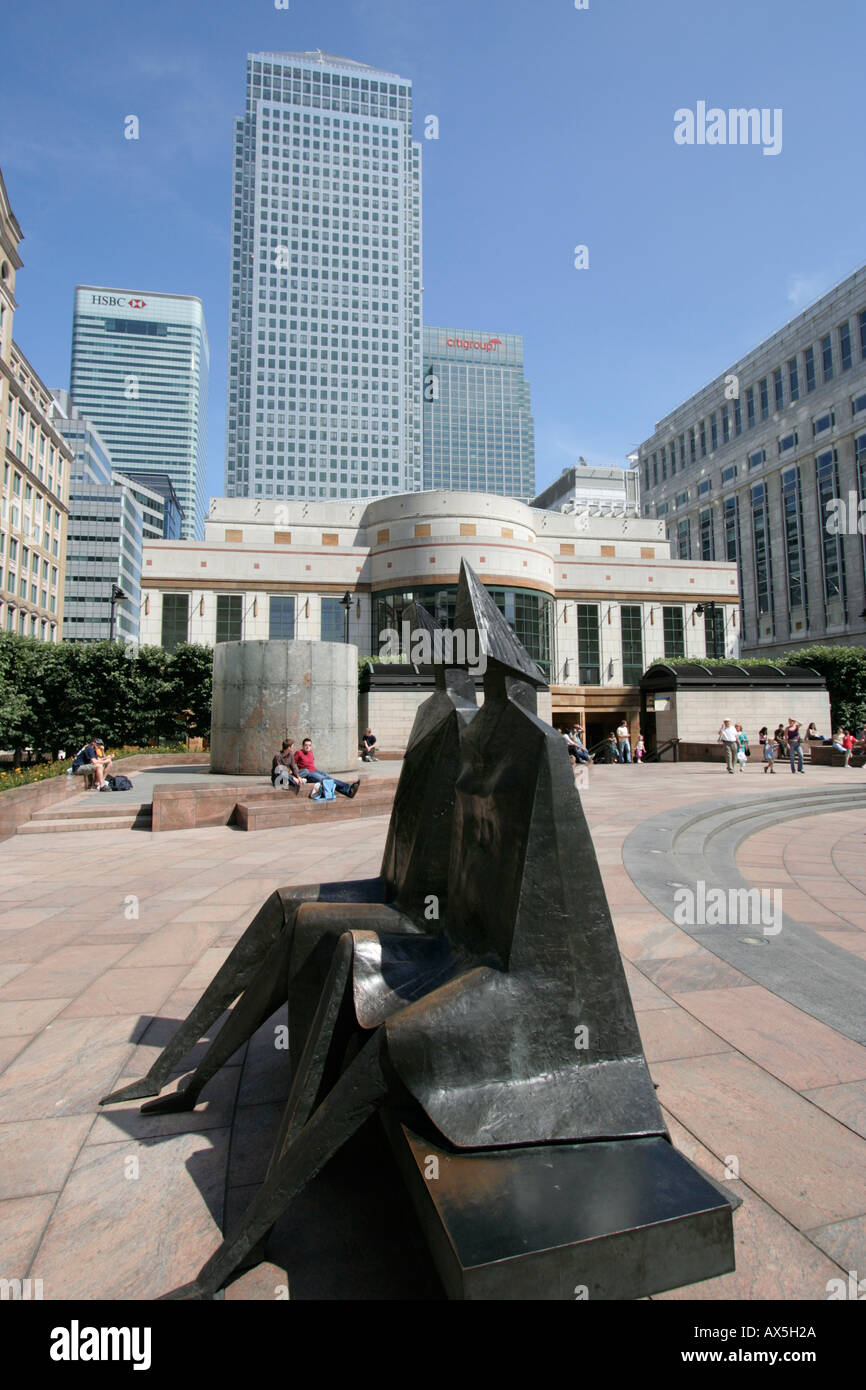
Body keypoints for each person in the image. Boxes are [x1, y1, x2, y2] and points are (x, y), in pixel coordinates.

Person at [294, 737, 360, 798]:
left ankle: (348, 792)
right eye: (306, 745)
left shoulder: (310, 752)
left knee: (329, 778)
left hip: (315, 771)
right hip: (308, 774)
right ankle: (349, 787)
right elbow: (292, 764)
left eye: (309, 745)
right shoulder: (298, 753)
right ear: (302, 745)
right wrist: (293, 774)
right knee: (326, 780)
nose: (308, 747)